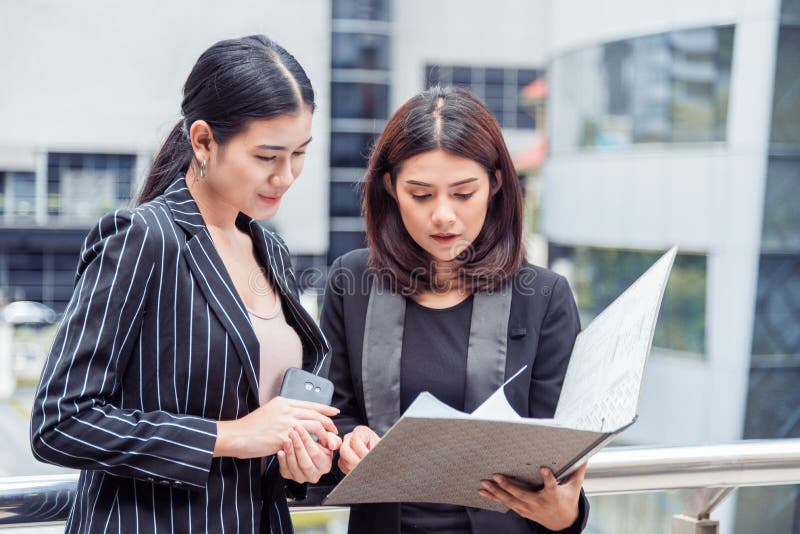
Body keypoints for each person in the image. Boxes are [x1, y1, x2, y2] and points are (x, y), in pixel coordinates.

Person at [29, 35, 340, 534]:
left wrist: (299, 461)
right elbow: (60, 422)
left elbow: (265, 427)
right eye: (267, 157)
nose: (286, 176)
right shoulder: (143, 239)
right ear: (202, 140)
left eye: (299, 153)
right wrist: (230, 437)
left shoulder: (271, 249)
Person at [320, 86, 589, 533]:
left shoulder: (543, 297)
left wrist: (567, 515)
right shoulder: (353, 283)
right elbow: (334, 414)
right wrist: (348, 440)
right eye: (421, 195)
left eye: (463, 194)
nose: (443, 216)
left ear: (496, 185)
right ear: (390, 187)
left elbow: (559, 458)